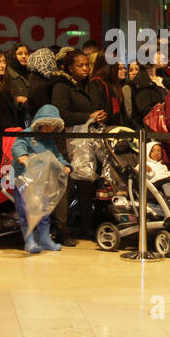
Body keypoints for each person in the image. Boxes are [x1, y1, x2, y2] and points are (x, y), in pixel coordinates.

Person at [51, 48, 106, 245]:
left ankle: (86, 224)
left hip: (89, 141)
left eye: (86, 65)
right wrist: (87, 117)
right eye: (80, 65)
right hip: (67, 141)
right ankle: (62, 228)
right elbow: (60, 113)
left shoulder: (92, 87)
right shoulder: (62, 87)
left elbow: (100, 106)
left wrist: (98, 116)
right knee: (66, 185)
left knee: (87, 182)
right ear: (69, 68)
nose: (85, 69)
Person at [11, 105, 72, 254]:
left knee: (44, 210)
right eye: (46, 127)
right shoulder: (27, 135)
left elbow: (56, 155)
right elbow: (17, 146)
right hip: (25, 180)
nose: (49, 130)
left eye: (52, 127)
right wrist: (22, 156)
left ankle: (44, 239)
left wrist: (64, 165)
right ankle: (29, 240)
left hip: (42, 181)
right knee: (25, 211)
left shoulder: (49, 140)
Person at [7, 43, 32, 123]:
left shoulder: (31, 73)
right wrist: (17, 100)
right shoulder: (7, 73)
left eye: (26, 53)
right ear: (13, 55)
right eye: (20, 53)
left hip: (29, 116)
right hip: (14, 118)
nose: (24, 56)